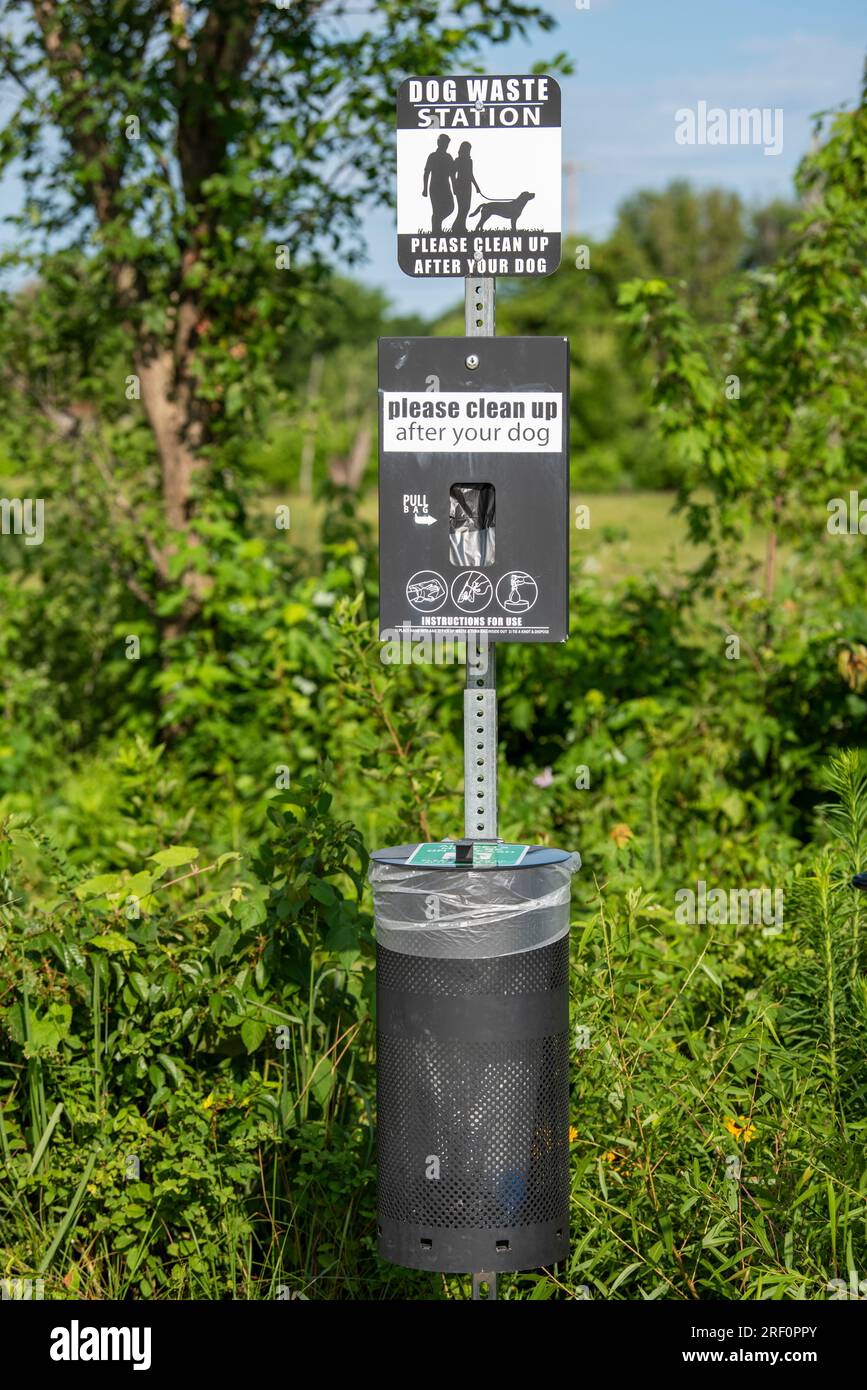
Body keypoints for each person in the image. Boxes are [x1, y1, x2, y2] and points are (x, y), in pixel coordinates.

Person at [422, 134, 455, 235]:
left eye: (447, 144)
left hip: (446, 186)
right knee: (437, 210)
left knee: (450, 207)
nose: (445, 145)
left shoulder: (448, 157)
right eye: (444, 143)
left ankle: (436, 227)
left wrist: (455, 188)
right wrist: (425, 189)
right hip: (435, 187)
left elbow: (452, 175)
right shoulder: (432, 156)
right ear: (439, 143)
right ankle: (436, 231)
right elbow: (426, 172)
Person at [450, 141, 482, 235]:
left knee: (467, 207)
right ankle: (456, 226)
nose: (468, 151)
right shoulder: (457, 160)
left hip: (468, 186)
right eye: (467, 149)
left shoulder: (469, 161)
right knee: (462, 208)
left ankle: (461, 226)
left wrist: (476, 187)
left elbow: (471, 174)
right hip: (460, 185)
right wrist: (454, 187)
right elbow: (452, 174)